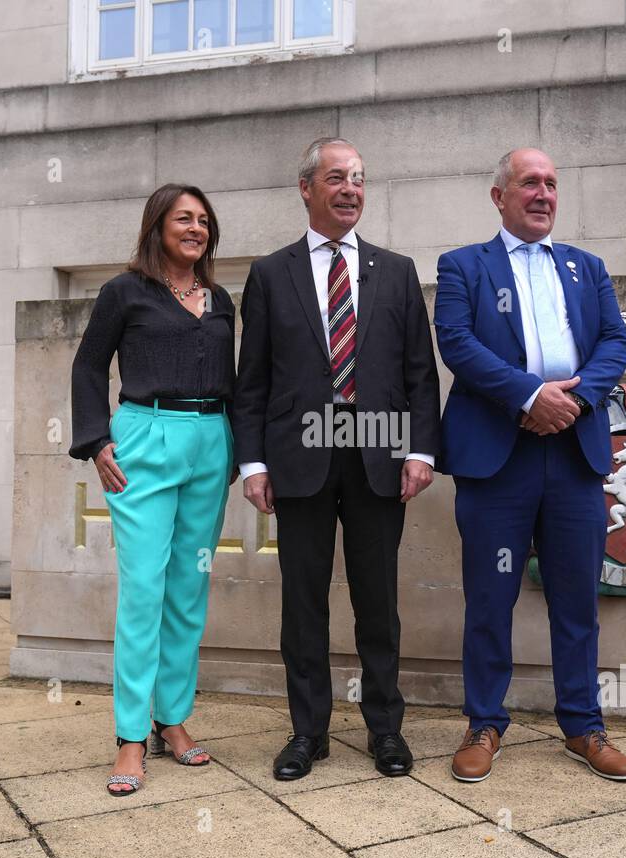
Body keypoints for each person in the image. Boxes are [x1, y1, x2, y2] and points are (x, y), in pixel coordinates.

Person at [232, 138, 441, 781]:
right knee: (304, 603)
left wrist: (420, 450)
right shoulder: (271, 273)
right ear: (307, 188)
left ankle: (385, 730)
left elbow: (419, 375)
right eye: (336, 178)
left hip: (377, 455)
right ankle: (308, 732)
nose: (350, 189)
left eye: (358, 178)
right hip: (300, 461)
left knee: (378, 602)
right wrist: (253, 465)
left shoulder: (397, 270)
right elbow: (253, 380)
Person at [433, 148, 626, 784]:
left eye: (551, 184)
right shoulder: (463, 266)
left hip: (574, 456)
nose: (543, 194)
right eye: (529, 183)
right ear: (500, 196)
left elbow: (614, 342)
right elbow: (457, 344)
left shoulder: (587, 267)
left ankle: (583, 726)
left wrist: (571, 400)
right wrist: (529, 395)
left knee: (577, 598)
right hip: (499, 459)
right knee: (490, 599)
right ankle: (485, 723)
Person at [69, 184, 236, 796]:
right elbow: (88, 365)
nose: (195, 228)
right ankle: (130, 736)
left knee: (188, 590)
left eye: (203, 220)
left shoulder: (220, 299)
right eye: (182, 219)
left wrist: (242, 452)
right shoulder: (124, 291)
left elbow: (234, 379)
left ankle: (172, 719)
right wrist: (95, 440)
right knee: (144, 589)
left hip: (209, 441)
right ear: (157, 227)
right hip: (144, 437)